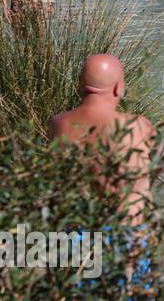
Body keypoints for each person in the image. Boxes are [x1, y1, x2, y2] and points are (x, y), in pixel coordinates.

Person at [49, 54, 157, 228]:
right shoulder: (138, 125)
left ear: (79, 85)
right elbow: (159, 168)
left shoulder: (58, 124)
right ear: (118, 87)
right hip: (125, 232)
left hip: (77, 231)